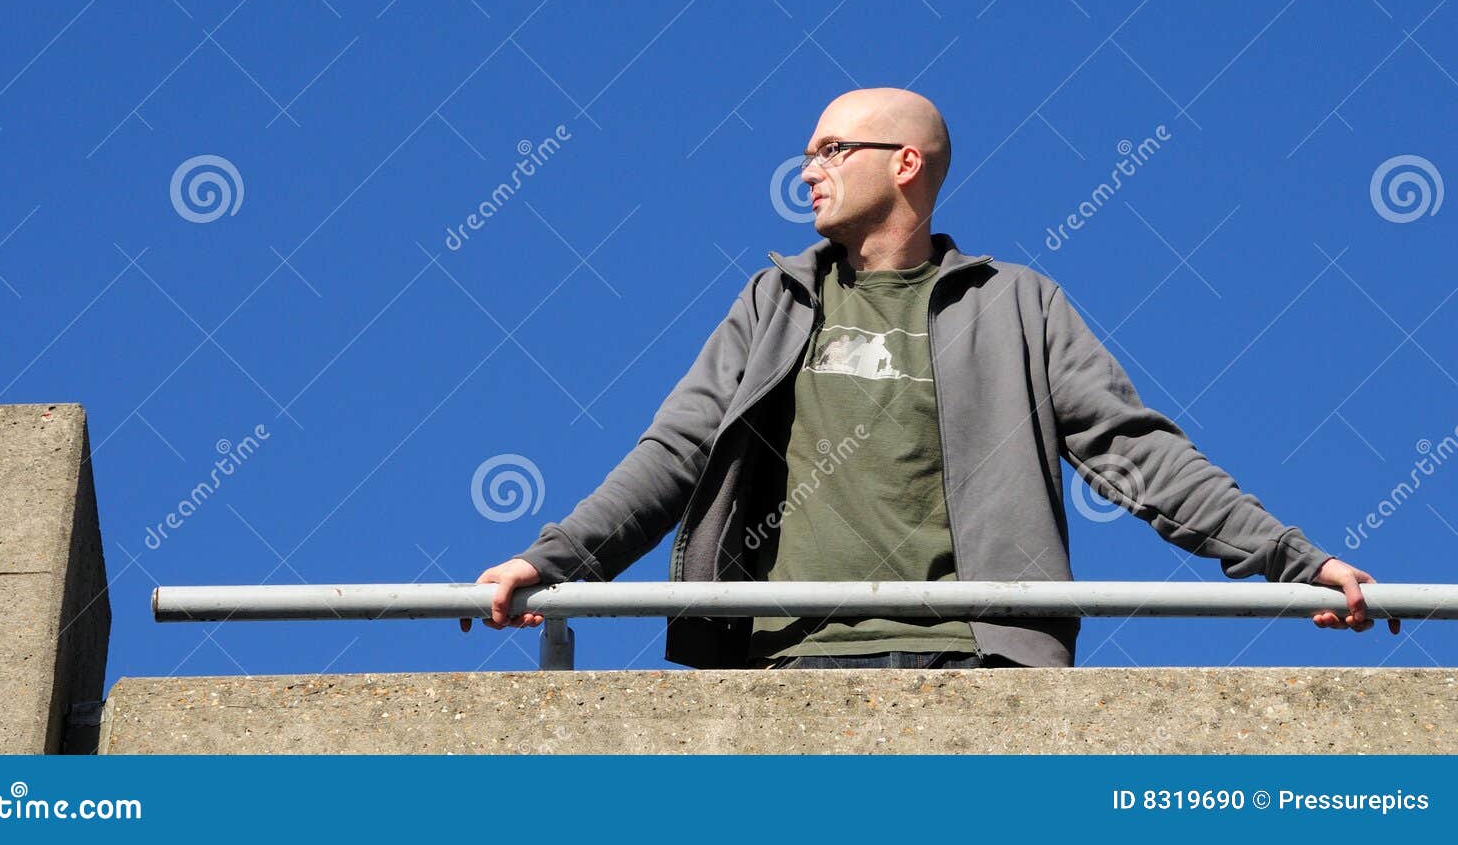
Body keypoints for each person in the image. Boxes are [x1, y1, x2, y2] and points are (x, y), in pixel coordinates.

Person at [459, 87, 1400, 668]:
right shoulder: (773, 301)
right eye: (809, 150)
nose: (809, 168)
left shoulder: (1015, 304)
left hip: (975, 663)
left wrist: (1295, 559)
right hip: (783, 665)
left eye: (833, 149)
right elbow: (674, 454)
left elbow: (1137, 454)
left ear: (905, 164)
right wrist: (553, 560)